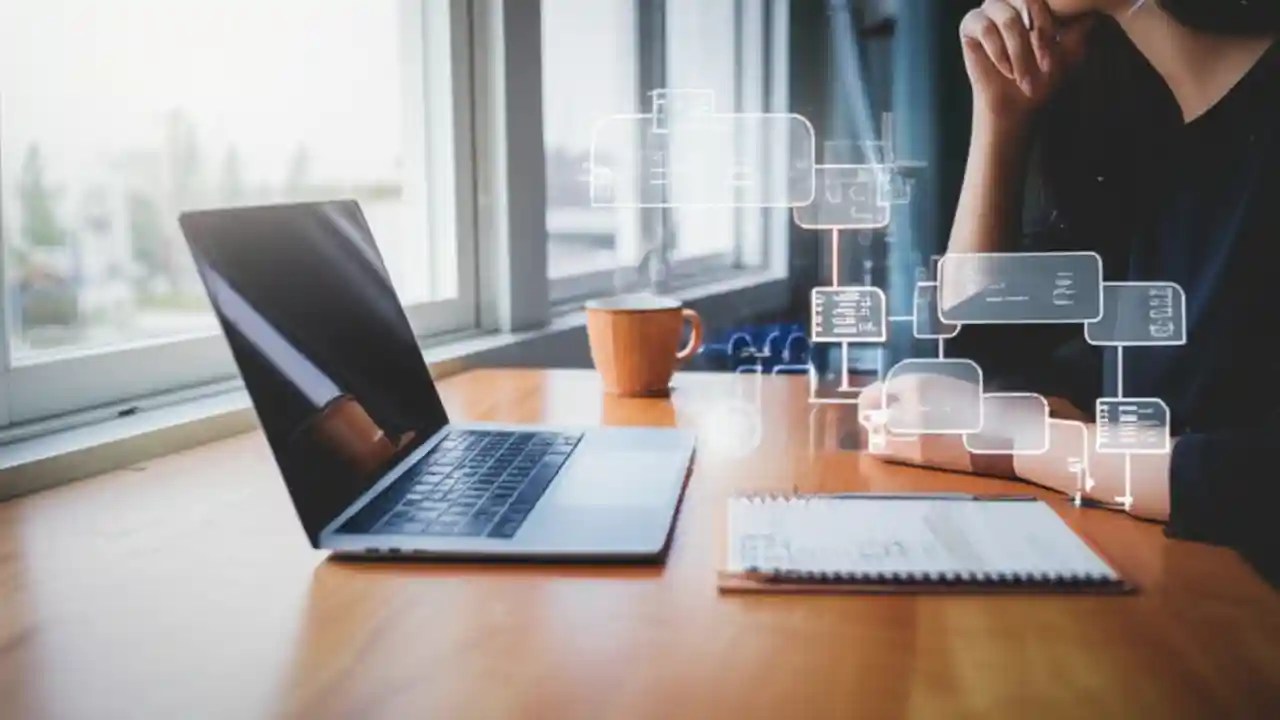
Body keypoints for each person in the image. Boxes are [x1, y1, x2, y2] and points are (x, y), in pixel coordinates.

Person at [859, 0, 1280, 584]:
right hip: (1169, 592)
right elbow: (978, 364)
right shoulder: (1150, 138)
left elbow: (1255, 478)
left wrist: (1018, 439)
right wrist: (1001, 116)